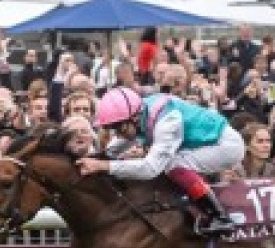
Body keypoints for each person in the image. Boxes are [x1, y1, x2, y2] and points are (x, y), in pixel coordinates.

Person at [78, 86, 244, 235]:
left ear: (134, 118)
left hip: (225, 145)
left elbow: (150, 168)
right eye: (113, 129)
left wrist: (103, 165)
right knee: (172, 162)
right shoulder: (139, 113)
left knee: (173, 164)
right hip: (206, 143)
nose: (118, 134)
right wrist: (96, 159)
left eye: (118, 128)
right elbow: (113, 149)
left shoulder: (166, 121)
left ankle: (220, 217)